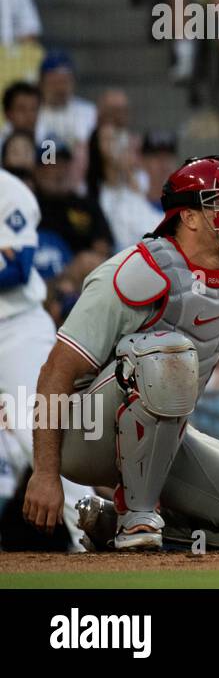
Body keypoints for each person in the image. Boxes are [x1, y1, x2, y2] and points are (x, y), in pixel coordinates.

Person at [21, 156, 219, 552]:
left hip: (165, 439)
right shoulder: (136, 271)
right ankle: (136, 516)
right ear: (191, 217)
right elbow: (55, 373)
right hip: (83, 436)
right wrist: (45, 473)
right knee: (169, 351)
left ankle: (117, 524)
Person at [0, 161, 94, 548]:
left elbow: (16, 268)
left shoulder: (9, 190)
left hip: (13, 328)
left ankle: (88, 536)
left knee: (40, 431)